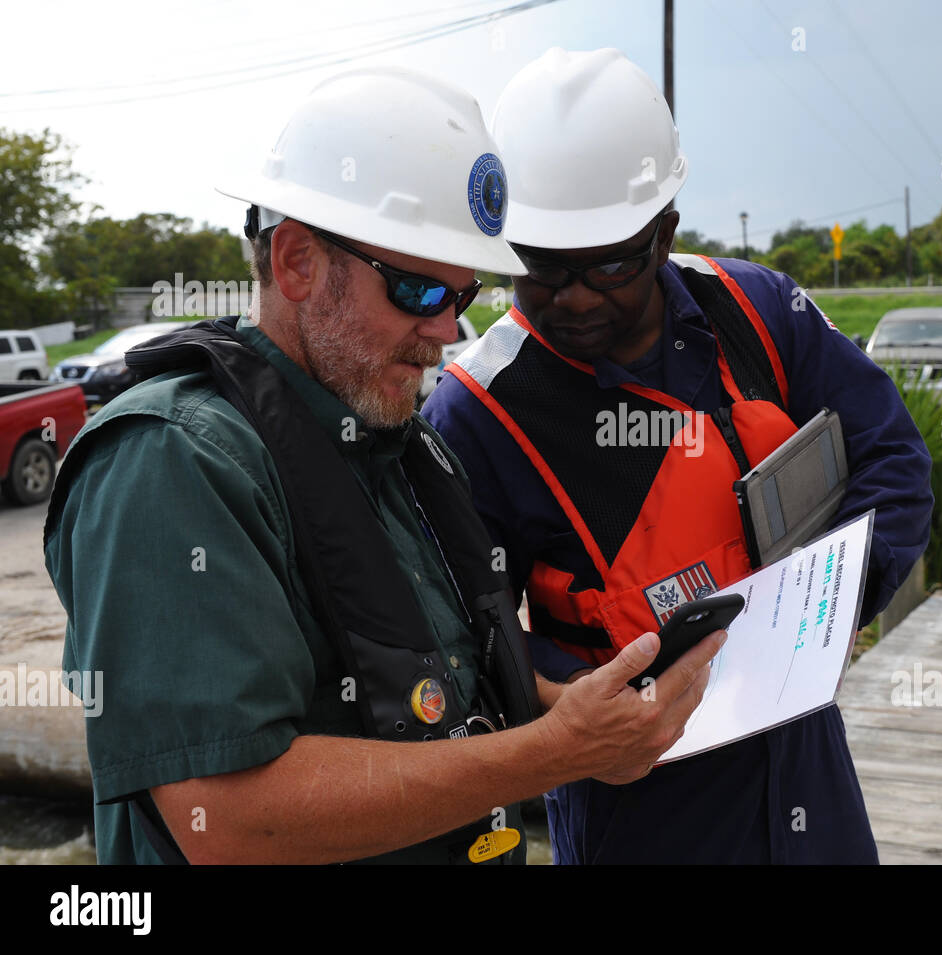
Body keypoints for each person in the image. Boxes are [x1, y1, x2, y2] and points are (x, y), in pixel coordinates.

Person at [42, 67, 719, 865]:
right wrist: (555, 752)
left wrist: (571, 709)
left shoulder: (390, 438)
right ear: (295, 262)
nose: (444, 331)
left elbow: (441, 682)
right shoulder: (172, 461)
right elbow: (224, 819)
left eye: (462, 298)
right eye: (416, 289)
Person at [423, 48, 934, 864]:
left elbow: (894, 459)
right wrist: (563, 713)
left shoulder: (758, 310)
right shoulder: (476, 416)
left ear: (664, 233)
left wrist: (826, 621)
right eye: (542, 267)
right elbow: (456, 641)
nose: (574, 295)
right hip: (638, 808)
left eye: (609, 265)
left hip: (807, 773)